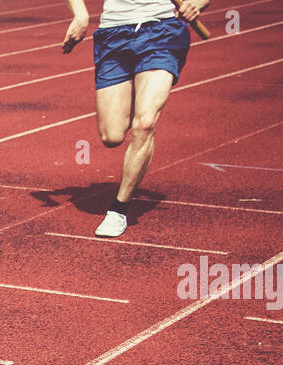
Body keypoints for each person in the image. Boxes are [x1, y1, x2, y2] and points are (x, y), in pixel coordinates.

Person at [62, 0, 209, 237]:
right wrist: (81, 15)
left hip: (162, 32)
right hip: (114, 33)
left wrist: (197, 3)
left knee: (145, 123)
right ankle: (136, 99)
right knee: (112, 136)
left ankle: (118, 210)